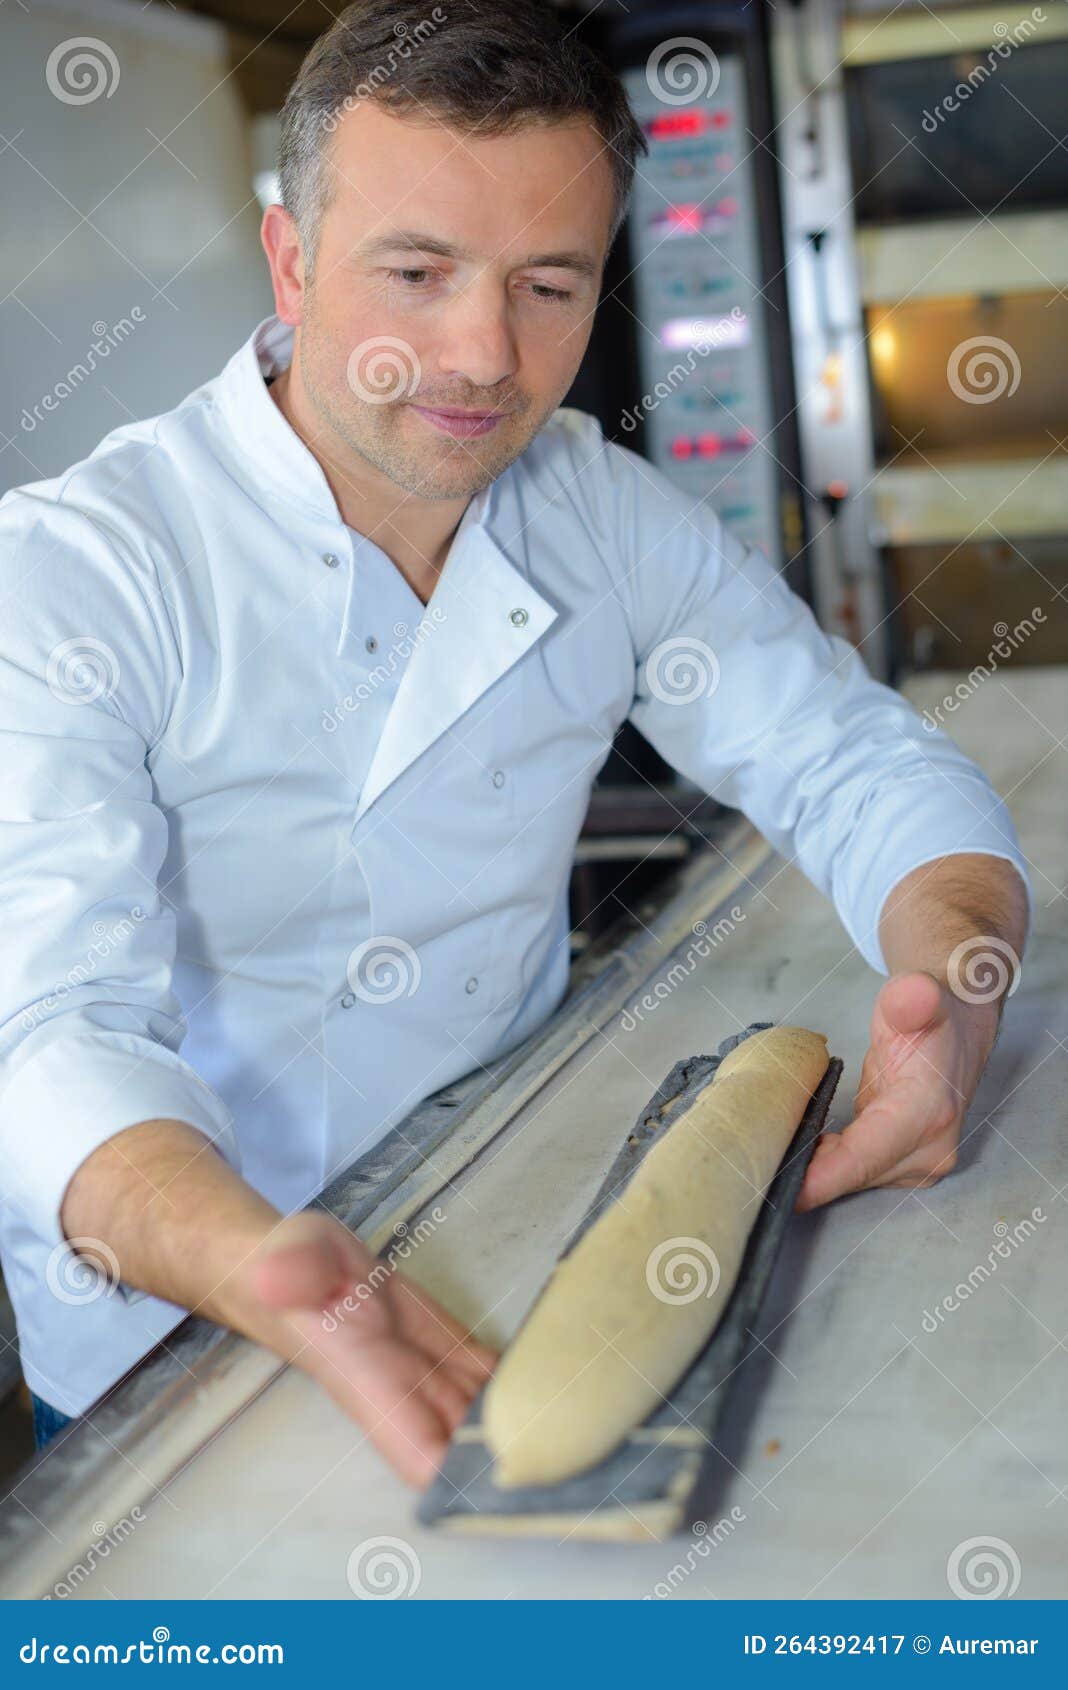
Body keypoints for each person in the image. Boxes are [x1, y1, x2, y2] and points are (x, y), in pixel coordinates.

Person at [0, 0, 1029, 1478]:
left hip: (516, 1217)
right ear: (292, 260)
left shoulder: (593, 512)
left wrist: (958, 967)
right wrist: (259, 1264)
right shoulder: (78, 572)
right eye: (416, 272)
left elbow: (845, 757)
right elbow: (43, 1032)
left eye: (548, 285)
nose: (483, 354)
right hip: (178, 1315)